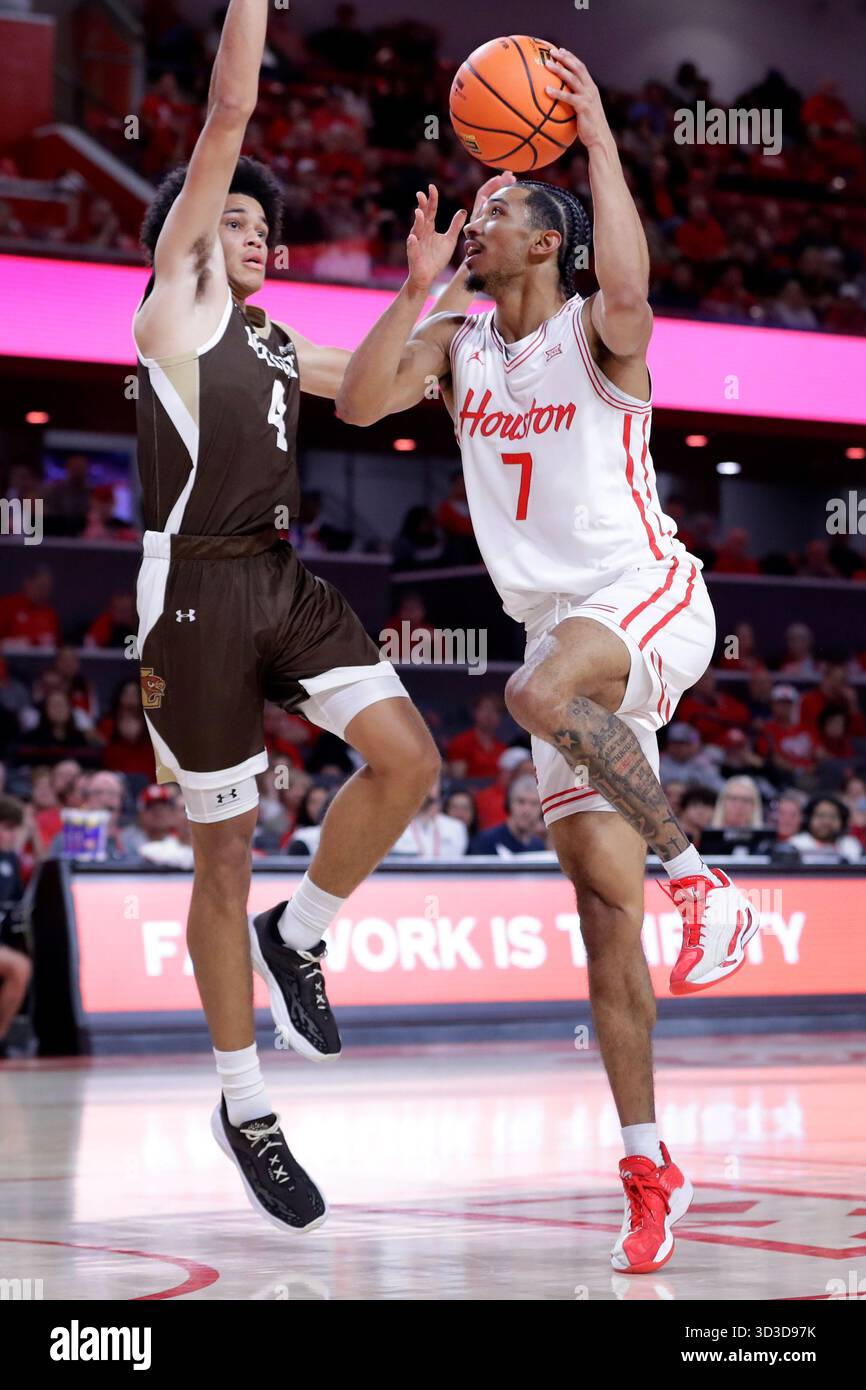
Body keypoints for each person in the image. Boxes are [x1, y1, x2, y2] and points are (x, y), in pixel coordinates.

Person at [337, 47, 758, 1274]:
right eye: (479, 202)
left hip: (644, 595)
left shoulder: (597, 331)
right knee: (597, 914)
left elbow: (628, 272)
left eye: (504, 205)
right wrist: (415, 286)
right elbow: (359, 402)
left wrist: (599, 145)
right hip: (556, 638)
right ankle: (646, 1164)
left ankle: (704, 881)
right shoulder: (460, 342)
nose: (480, 213)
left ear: (552, 240)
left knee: (535, 689)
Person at [132, 0, 512, 1234]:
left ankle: (297, 936)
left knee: (410, 758)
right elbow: (231, 112)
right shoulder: (174, 311)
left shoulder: (277, 335)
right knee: (221, 847)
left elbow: (375, 394)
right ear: (183, 245)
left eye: (258, 224)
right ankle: (244, 1104)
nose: (243, 230)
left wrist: (424, 295)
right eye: (225, 216)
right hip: (190, 589)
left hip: (281, 578)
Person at [468, 775, 546, 856]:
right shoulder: (485, 841)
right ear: (509, 804)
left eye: (534, 804)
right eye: (521, 802)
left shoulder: (538, 846)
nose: (526, 810)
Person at [390, 780, 468, 859]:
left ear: (440, 787)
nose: (423, 787)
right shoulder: (393, 828)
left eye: (431, 781)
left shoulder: (456, 828)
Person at [789, 795, 862, 862]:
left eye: (832, 817)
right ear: (809, 819)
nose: (826, 822)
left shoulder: (850, 845)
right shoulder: (797, 844)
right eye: (821, 816)